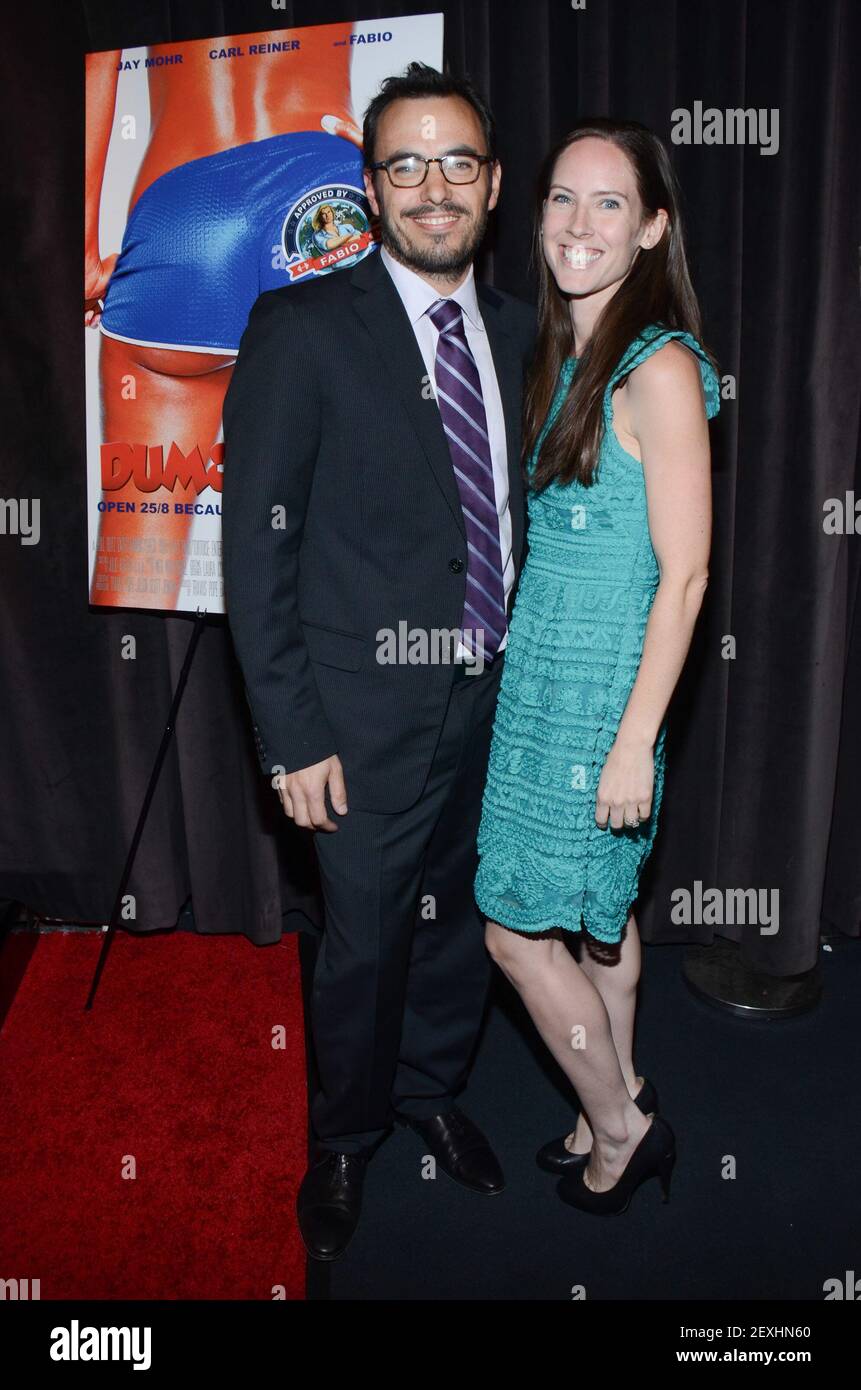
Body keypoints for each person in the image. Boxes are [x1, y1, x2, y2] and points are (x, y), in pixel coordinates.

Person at [221, 63, 536, 1260]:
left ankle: (429, 1089)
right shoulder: (301, 330)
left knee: (458, 922)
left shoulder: (523, 333)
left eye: (458, 162)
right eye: (406, 164)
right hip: (354, 721)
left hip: (494, 703)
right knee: (362, 945)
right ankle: (345, 1136)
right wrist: (291, 735)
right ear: (370, 188)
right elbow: (256, 555)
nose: (433, 187)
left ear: (493, 185)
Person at [474, 118, 721, 1216]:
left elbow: (687, 577)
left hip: (602, 705)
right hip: (542, 686)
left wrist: (632, 742)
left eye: (609, 202)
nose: (580, 223)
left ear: (652, 227)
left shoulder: (656, 366)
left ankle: (623, 1129)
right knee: (598, 925)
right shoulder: (565, 354)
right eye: (562, 198)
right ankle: (610, 1093)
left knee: (512, 936)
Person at [84, 27, 364, 608]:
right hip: (323, 185)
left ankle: (130, 667)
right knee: (357, 518)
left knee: (138, 544)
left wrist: (82, 246)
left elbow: (98, 60)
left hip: (183, 209)